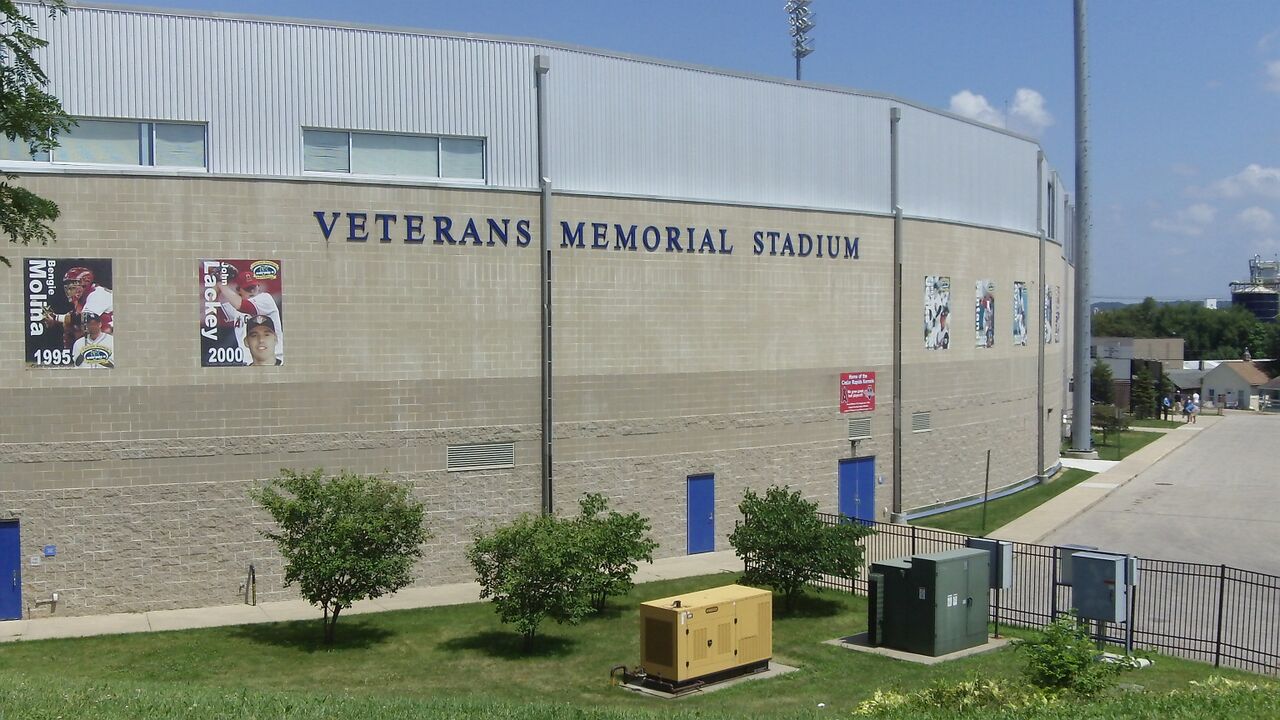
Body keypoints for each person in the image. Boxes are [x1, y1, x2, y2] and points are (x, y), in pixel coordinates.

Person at [217, 268, 283, 365]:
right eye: (248, 288)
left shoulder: (265, 299)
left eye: (254, 287)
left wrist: (221, 284)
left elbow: (243, 306)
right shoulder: (234, 305)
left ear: (259, 287)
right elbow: (214, 315)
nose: (252, 291)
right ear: (238, 290)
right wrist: (215, 286)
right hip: (249, 363)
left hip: (275, 360)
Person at [44, 266, 113, 346]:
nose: (69, 291)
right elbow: (74, 317)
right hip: (103, 335)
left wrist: (56, 317)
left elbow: (86, 318)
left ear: (86, 283)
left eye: (73, 285)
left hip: (113, 334)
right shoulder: (82, 298)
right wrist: (54, 319)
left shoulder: (98, 294)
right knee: (69, 324)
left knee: (81, 324)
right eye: (68, 285)